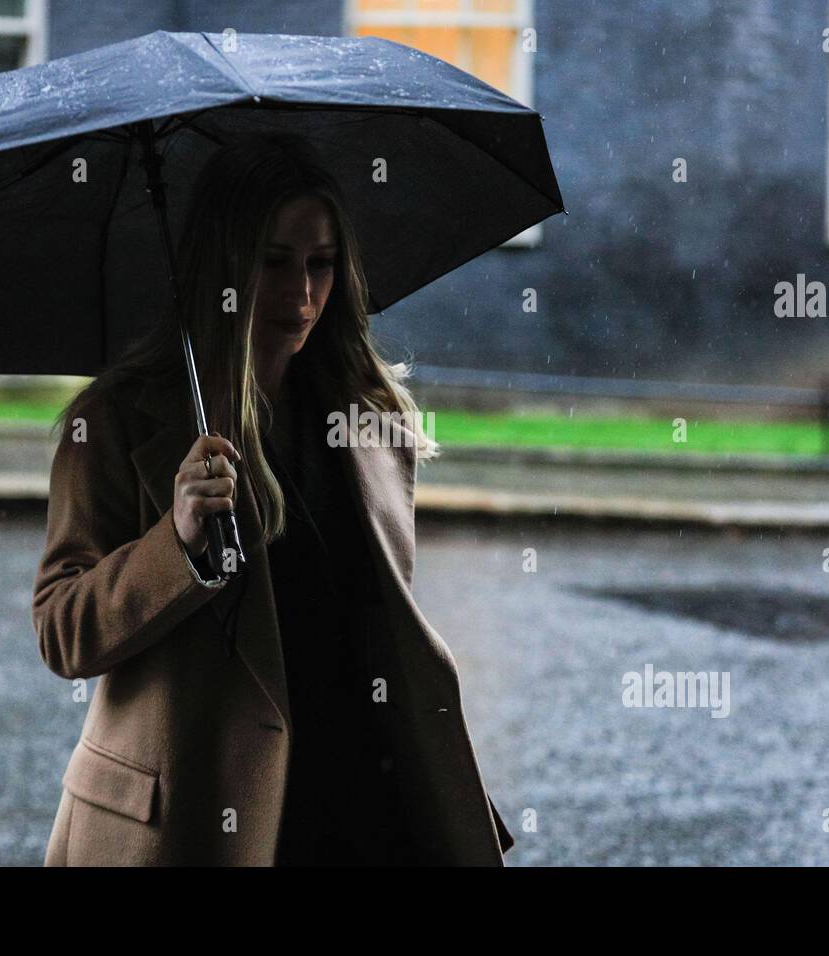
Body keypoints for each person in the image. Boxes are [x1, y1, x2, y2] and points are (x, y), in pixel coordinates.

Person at [34, 131, 515, 866]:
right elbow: (63, 630)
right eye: (274, 262)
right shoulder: (114, 422)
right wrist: (178, 542)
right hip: (193, 817)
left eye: (322, 264)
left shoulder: (366, 419)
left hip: (358, 802)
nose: (303, 295)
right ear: (223, 263)